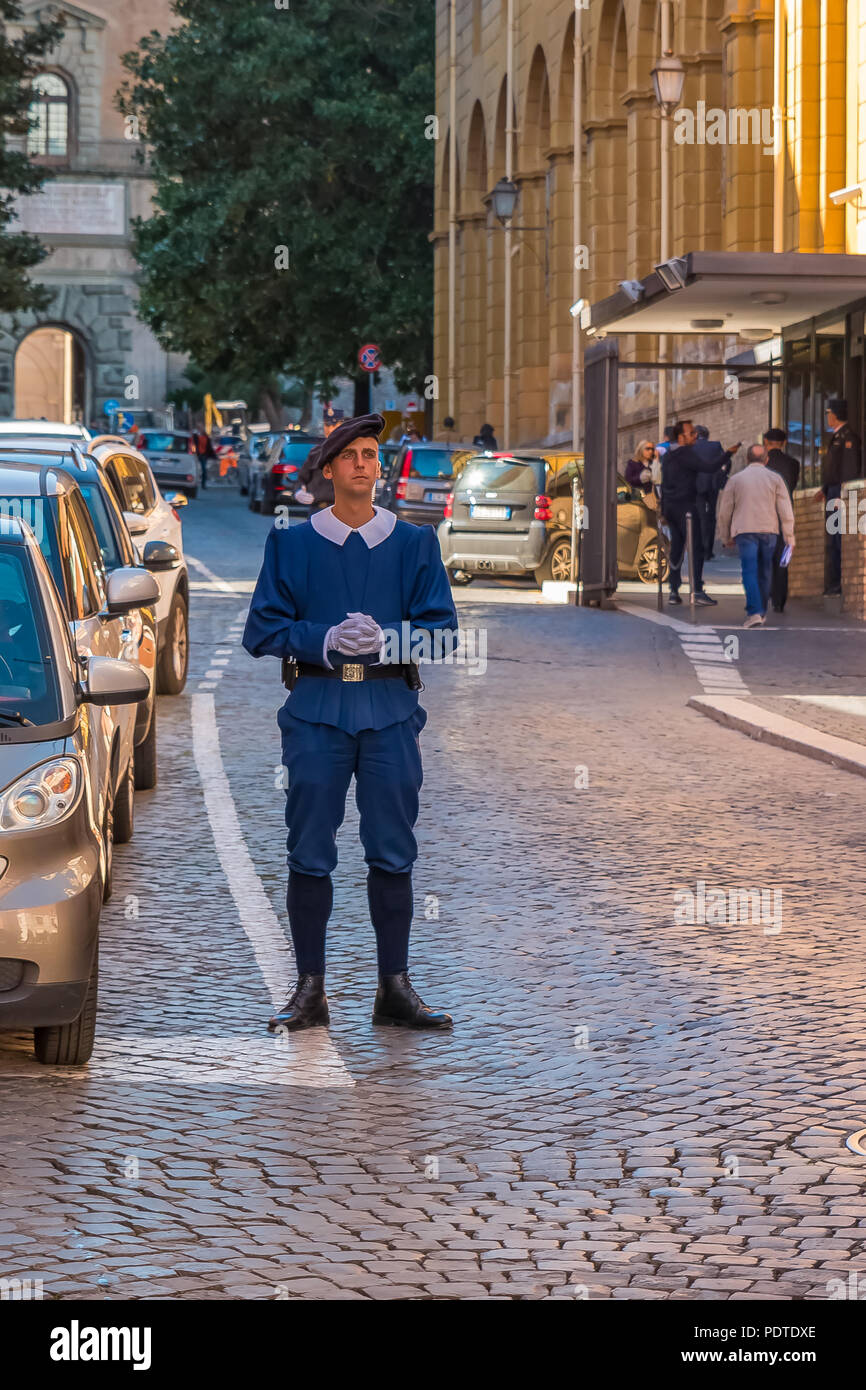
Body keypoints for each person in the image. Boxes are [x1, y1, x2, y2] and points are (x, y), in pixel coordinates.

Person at [243, 412, 459, 1033]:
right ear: (330, 470)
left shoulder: (416, 543)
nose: (365, 463)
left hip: (391, 713)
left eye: (372, 454)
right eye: (353, 456)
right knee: (309, 854)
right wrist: (323, 638)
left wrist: (391, 640)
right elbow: (261, 629)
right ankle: (310, 989)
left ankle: (394, 987)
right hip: (315, 711)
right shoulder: (290, 544)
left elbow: (444, 636)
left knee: (393, 853)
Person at [660, 420, 738, 605]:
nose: (695, 435)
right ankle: (697, 590)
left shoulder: (669, 455)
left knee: (677, 547)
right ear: (681, 437)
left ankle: (674, 590)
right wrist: (728, 453)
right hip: (685, 506)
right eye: (691, 433)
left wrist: (664, 509)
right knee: (696, 547)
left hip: (671, 506)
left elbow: (665, 483)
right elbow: (709, 467)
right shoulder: (685, 453)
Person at [718, 442, 795, 628]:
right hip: (769, 531)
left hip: (745, 530)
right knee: (765, 570)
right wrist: (789, 536)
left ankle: (754, 612)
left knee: (749, 571)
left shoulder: (736, 480)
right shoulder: (775, 478)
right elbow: (785, 509)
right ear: (766, 459)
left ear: (746, 459)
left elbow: (724, 512)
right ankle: (760, 612)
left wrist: (725, 536)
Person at [818, 398, 861, 596]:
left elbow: (849, 470)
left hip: (839, 495)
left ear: (835, 414)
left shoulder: (847, 437)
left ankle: (835, 584)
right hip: (832, 491)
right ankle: (831, 583)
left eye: (828, 413)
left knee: (836, 540)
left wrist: (840, 497)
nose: (827, 417)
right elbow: (832, 469)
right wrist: (825, 489)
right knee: (831, 540)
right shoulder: (835, 437)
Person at [764, 427, 800, 612]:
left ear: (766, 443)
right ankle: (780, 599)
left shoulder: (763, 464)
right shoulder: (793, 463)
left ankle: (768, 591)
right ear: (784, 443)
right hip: (786, 515)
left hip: (766, 516)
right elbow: (792, 485)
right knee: (783, 557)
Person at [692, 424, 731, 561]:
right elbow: (727, 460)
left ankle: (700, 549)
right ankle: (708, 550)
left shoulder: (691, 447)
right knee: (711, 516)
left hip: (696, 486)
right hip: (712, 485)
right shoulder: (715, 446)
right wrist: (721, 475)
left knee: (699, 517)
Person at [295, 407, 345, 511]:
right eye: (327, 425)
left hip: (343, 511)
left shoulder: (350, 453)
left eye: (334, 425)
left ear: (341, 426)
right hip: (317, 509)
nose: (330, 429)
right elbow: (301, 479)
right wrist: (299, 491)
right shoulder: (316, 452)